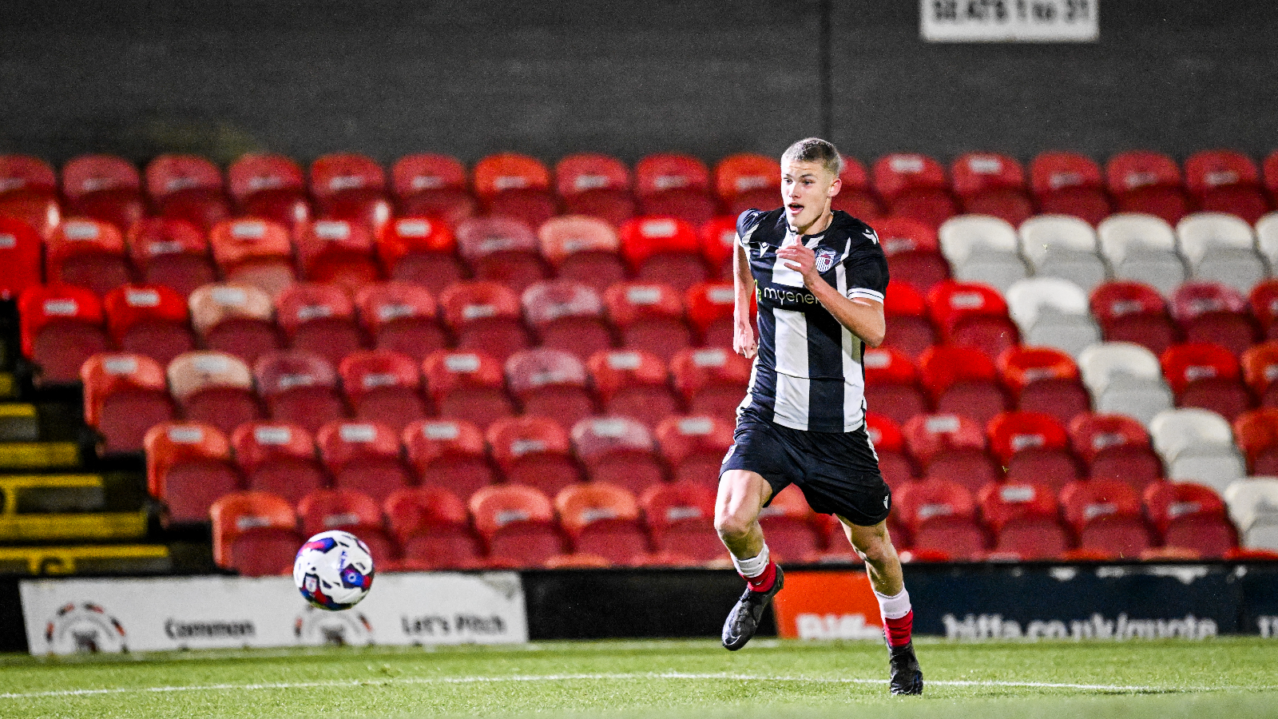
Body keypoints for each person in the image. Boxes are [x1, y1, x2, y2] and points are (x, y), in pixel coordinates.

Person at [716, 137, 923, 695]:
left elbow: (875, 331)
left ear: (833, 186)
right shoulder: (762, 229)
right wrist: (742, 314)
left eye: (806, 181)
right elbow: (740, 242)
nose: (793, 192)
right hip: (770, 415)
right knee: (731, 520)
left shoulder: (857, 244)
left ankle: (901, 653)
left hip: (837, 433)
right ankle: (762, 585)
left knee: (875, 549)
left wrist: (813, 279)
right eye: (787, 180)